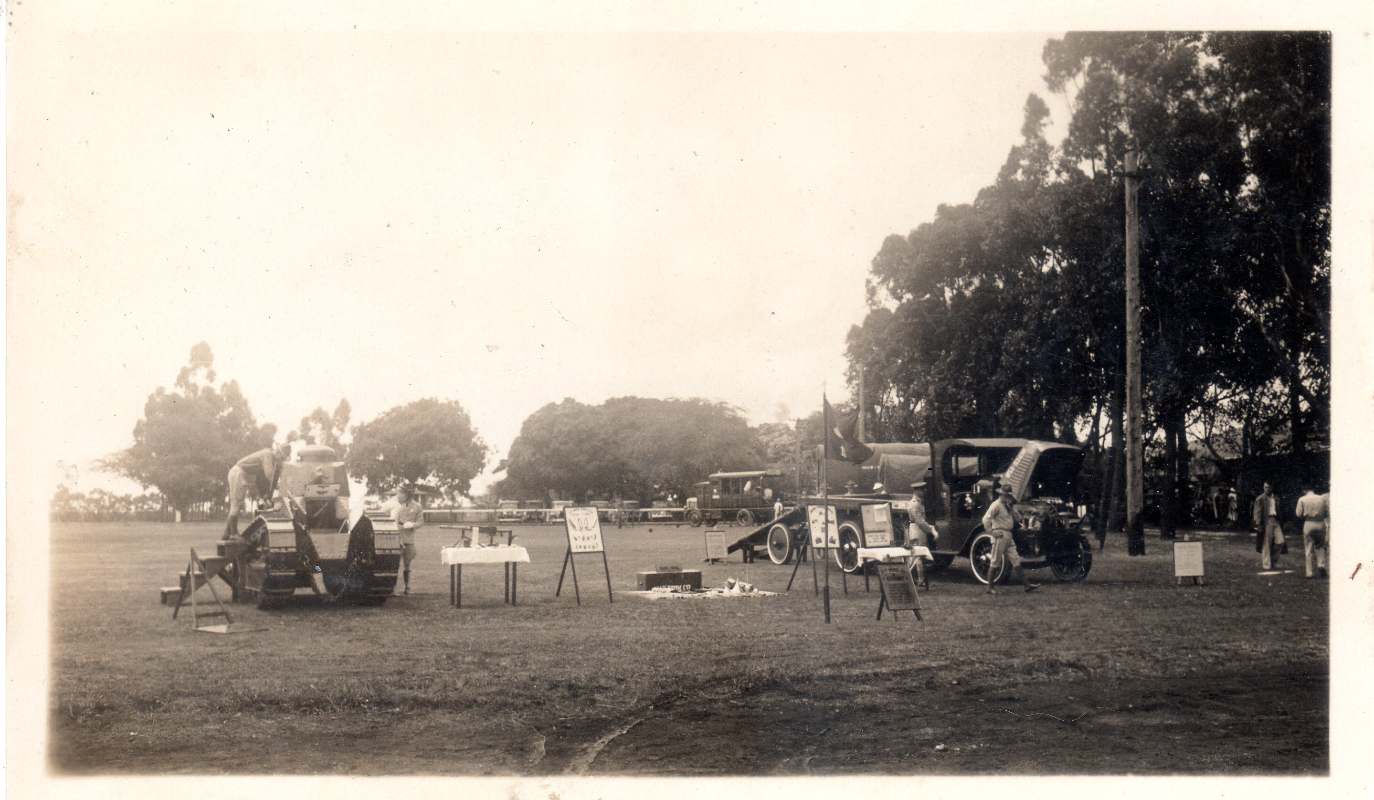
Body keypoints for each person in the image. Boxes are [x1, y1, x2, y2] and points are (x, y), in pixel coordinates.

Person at [223, 442, 291, 541]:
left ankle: (226, 533)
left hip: (241, 474)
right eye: (282, 457)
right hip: (239, 473)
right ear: (279, 453)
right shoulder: (268, 454)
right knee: (236, 504)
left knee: (236, 504)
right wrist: (281, 486)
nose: (281, 460)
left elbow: (261, 480)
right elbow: (269, 475)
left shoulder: (268, 457)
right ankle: (233, 534)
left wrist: (265, 494)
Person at [982, 483, 1038, 594]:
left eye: (1008, 495)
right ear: (1001, 495)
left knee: (1016, 560)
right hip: (1000, 535)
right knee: (995, 561)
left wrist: (1012, 508)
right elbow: (985, 519)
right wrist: (992, 532)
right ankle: (989, 588)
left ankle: (1027, 585)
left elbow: (1018, 518)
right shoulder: (996, 505)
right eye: (1006, 495)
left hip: (1008, 535)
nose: (1007, 497)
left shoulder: (1007, 506)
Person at [904, 481, 940, 591]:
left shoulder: (918, 502)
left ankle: (916, 579)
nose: (924, 491)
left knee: (917, 555)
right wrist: (931, 530)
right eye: (921, 490)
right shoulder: (915, 503)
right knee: (917, 555)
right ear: (916, 490)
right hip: (916, 530)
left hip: (918, 530)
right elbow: (919, 521)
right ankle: (917, 579)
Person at [392, 484, 424, 594]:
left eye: (400, 493)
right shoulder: (395, 505)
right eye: (397, 493)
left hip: (408, 539)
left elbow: (421, 522)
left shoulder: (417, 506)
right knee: (393, 564)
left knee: (407, 564)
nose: (398, 495)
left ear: (407, 494)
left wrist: (413, 525)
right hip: (394, 539)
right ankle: (392, 588)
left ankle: (407, 587)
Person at [1295, 484, 1328, 579]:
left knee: (1308, 548)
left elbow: (1298, 514)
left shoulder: (1302, 499)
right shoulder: (1321, 498)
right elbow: (1326, 512)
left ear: (1304, 490)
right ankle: (1321, 565)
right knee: (1320, 546)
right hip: (1320, 523)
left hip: (1309, 523)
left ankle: (1309, 573)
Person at [1251, 482, 1284, 570]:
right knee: (1266, 543)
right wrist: (1258, 524)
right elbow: (1257, 512)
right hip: (1266, 521)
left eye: (1268, 487)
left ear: (1272, 488)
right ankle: (1266, 564)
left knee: (1280, 541)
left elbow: (1279, 510)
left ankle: (1273, 561)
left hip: (1275, 520)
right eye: (1265, 487)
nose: (1267, 489)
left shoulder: (1276, 498)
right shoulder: (1260, 498)